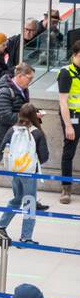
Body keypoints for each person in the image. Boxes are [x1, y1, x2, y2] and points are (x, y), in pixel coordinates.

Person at [0, 104, 48, 244]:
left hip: (15, 170)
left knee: (17, 198)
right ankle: (26, 237)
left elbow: (1, 149)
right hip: (29, 172)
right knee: (30, 203)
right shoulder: (37, 133)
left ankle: (1, 225)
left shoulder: (12, 130)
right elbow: (44, 156)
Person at [0, 63, 34, 191]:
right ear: (19, 76)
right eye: (29, 78)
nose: (30, 81)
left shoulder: (23, 90)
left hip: (17, 133)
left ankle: (29, 198)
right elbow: (6, 116)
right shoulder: (5, 91)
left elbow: (22, 109)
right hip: (1, 135)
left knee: (26, 164)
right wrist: (28, 117)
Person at [57, 40, 80, 204]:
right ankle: (66, 188)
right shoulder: (66, 73)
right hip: (72, 116)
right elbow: (63, 102)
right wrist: (68, 125)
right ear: (75, 55)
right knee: (69, 151)